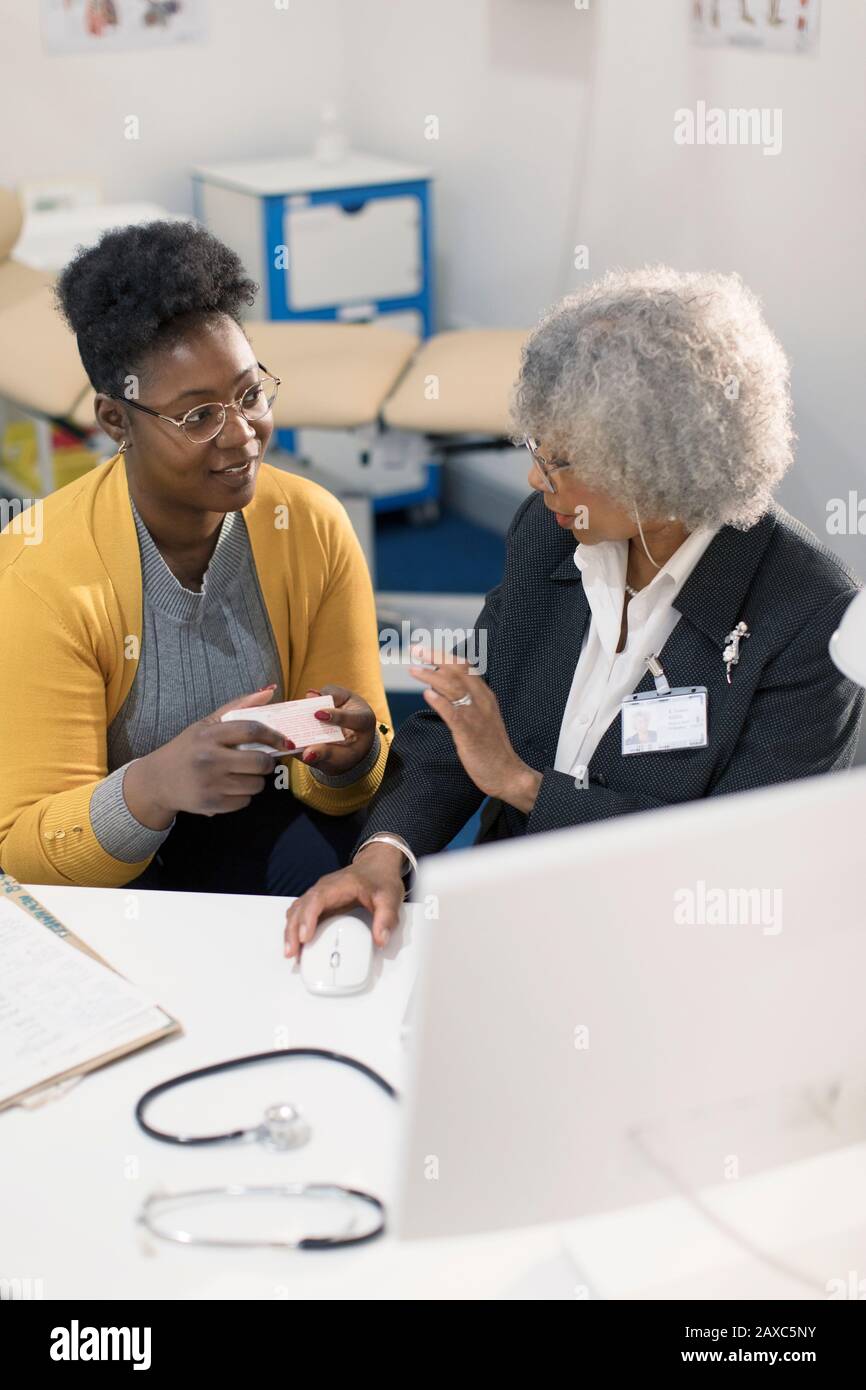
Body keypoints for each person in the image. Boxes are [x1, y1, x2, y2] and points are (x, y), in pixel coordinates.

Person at [284, 266, 864, 953]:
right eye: (534, 447)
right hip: (512, 905)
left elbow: (730, 869)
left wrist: (524, 785)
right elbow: (468, 727)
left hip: (672, 948)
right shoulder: (551, 533)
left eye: (559, 458)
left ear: (657, 468)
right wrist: (384, 854)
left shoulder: (808, 617)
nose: (535, 478)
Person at [0, 221, 391, 893]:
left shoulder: (311, 526)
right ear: (116, 420)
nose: (242, 436)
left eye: (249, 394)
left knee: (367, 902)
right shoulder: (42, 575)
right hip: (113, 863)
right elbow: (28, 847)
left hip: (264, 815)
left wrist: (346, 760)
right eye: (197, 415)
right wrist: (154, 786)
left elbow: (351, 784)